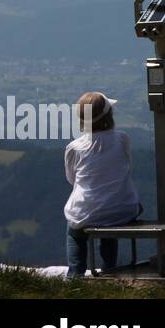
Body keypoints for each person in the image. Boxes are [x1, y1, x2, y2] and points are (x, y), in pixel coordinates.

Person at [63, 92, 142, 279]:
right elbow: (127, 167)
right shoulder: (122, 139)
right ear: (109, 115)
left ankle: (75, 275)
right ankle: (109, 270)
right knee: (111, 213)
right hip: (123, 209)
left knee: (75, 231)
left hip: (87, 213)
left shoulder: (75, 147)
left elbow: (71, 179)